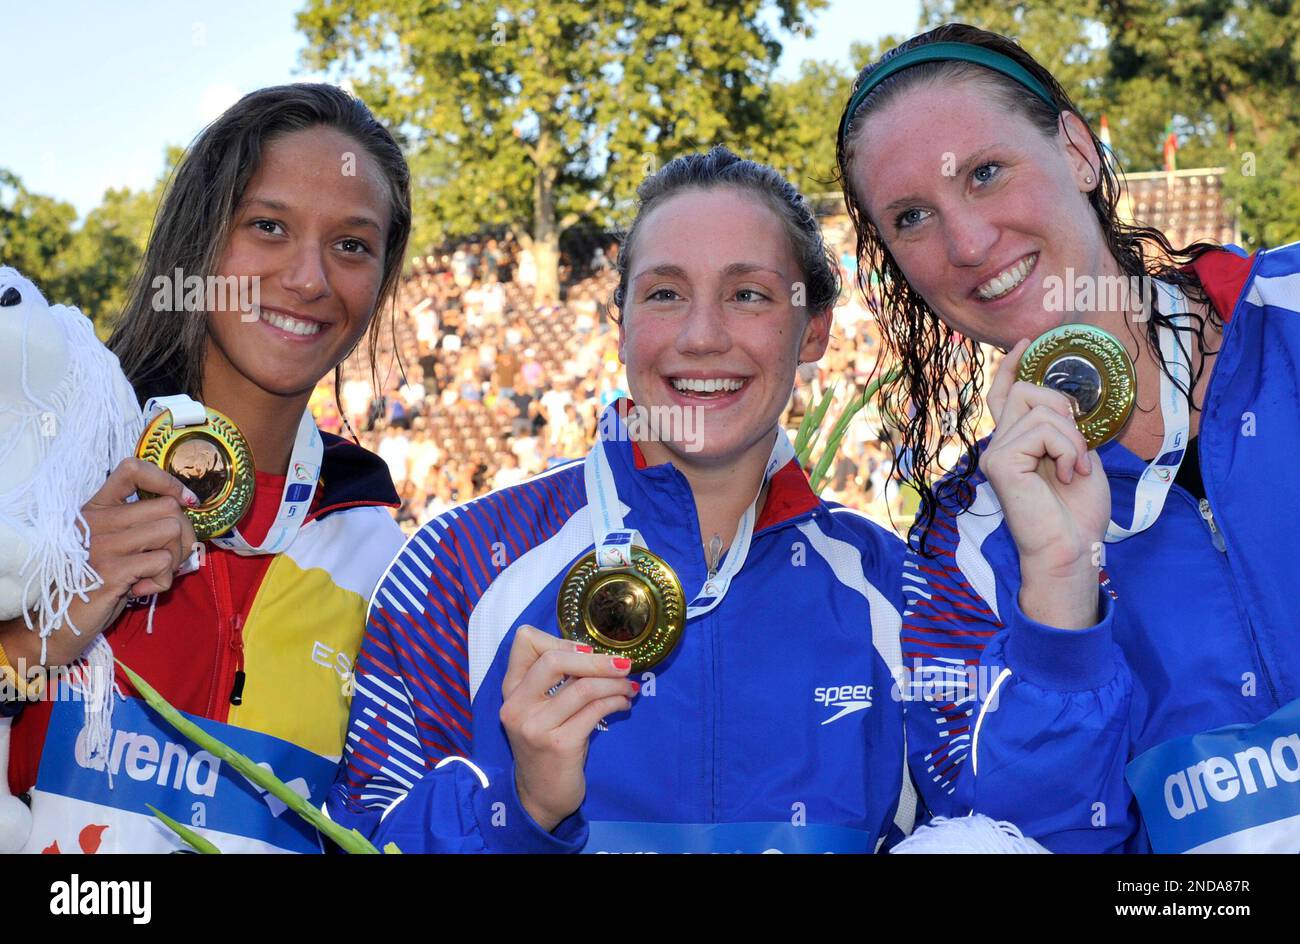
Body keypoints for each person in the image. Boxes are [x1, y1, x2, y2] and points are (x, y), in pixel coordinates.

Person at [325, 146, 915, 853]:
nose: (702, 336)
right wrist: (521, 809)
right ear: (622, 326)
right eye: (665, 293)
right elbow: (353, 840)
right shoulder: (457, 566)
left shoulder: (899, 592)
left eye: (749, 294)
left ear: (813, 330)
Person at [837, 23, 1300, 852]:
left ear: (1078, 152)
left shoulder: (1291, 316)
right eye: (912, 216)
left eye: (986, 173)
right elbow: (1029, 841)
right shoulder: (967, 549)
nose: (969, 244)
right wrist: (1057, 591)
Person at [1, 83, 410, 853]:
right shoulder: (43, 465)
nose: (309, 279)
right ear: (200, 242)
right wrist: (42, 629)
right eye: (268, 226)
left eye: (352, 244)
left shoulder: (378, 555)